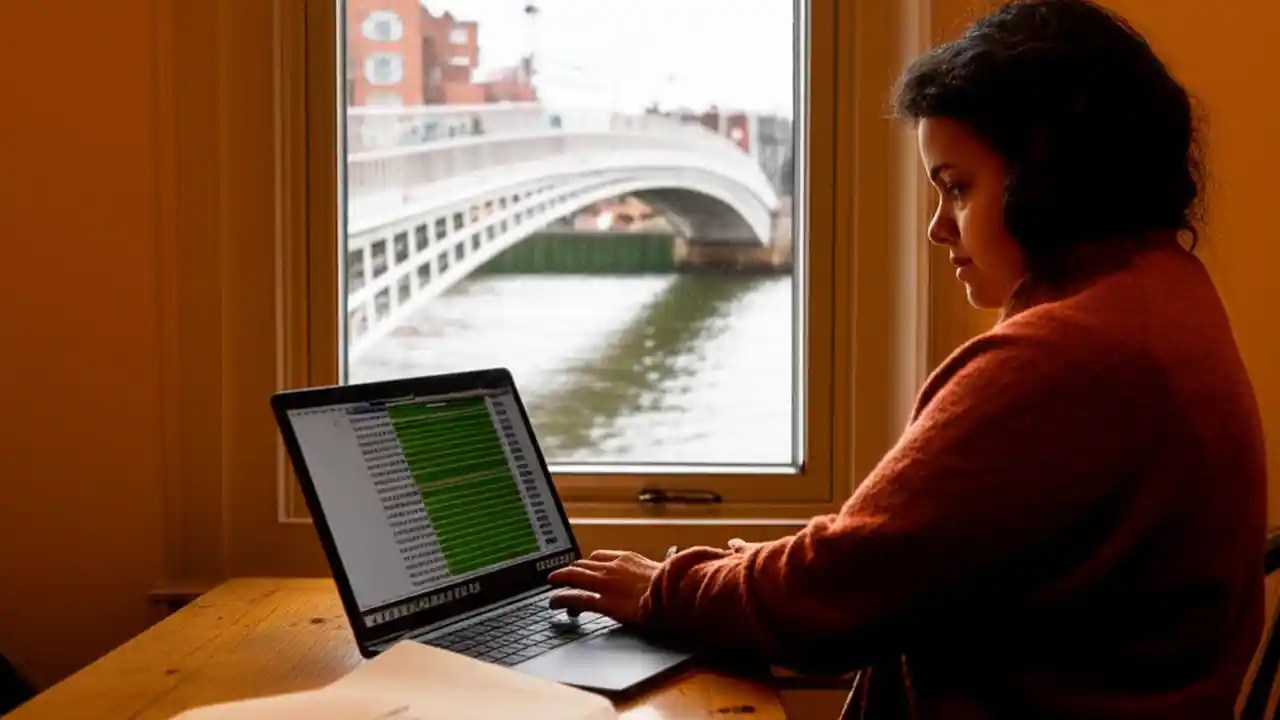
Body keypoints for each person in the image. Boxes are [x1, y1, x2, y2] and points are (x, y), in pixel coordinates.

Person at [547, 0, 1267, 717]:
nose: (936, 227)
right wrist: (760, 569)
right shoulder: (1165, 296)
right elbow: (911, 549)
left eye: (958, 187)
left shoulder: (1064, 356)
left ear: (1050, 183)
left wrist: (664, 590)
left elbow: (828, 600)